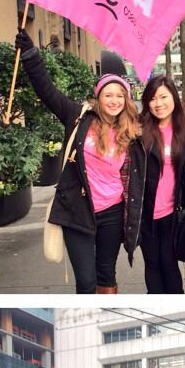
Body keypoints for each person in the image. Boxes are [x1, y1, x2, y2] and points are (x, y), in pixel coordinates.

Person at [16, 31, 138, 293]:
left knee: (106, 275)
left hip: (113, 213)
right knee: (86, 280)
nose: (114, 100)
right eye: (108, 95)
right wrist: (30, 56)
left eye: (120, 95)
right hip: (77, 209)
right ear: (98, 98)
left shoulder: (133, 132)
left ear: (126, 99)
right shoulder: (78, 117)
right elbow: (48, 91)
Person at [124, 75, 185, 293]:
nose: (159, 104)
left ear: (174, 97)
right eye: (152, 99)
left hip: (174, 212)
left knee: (169, 263)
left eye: (164, 97)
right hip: (146, 212)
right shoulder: (139, 131)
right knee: (152, 263)